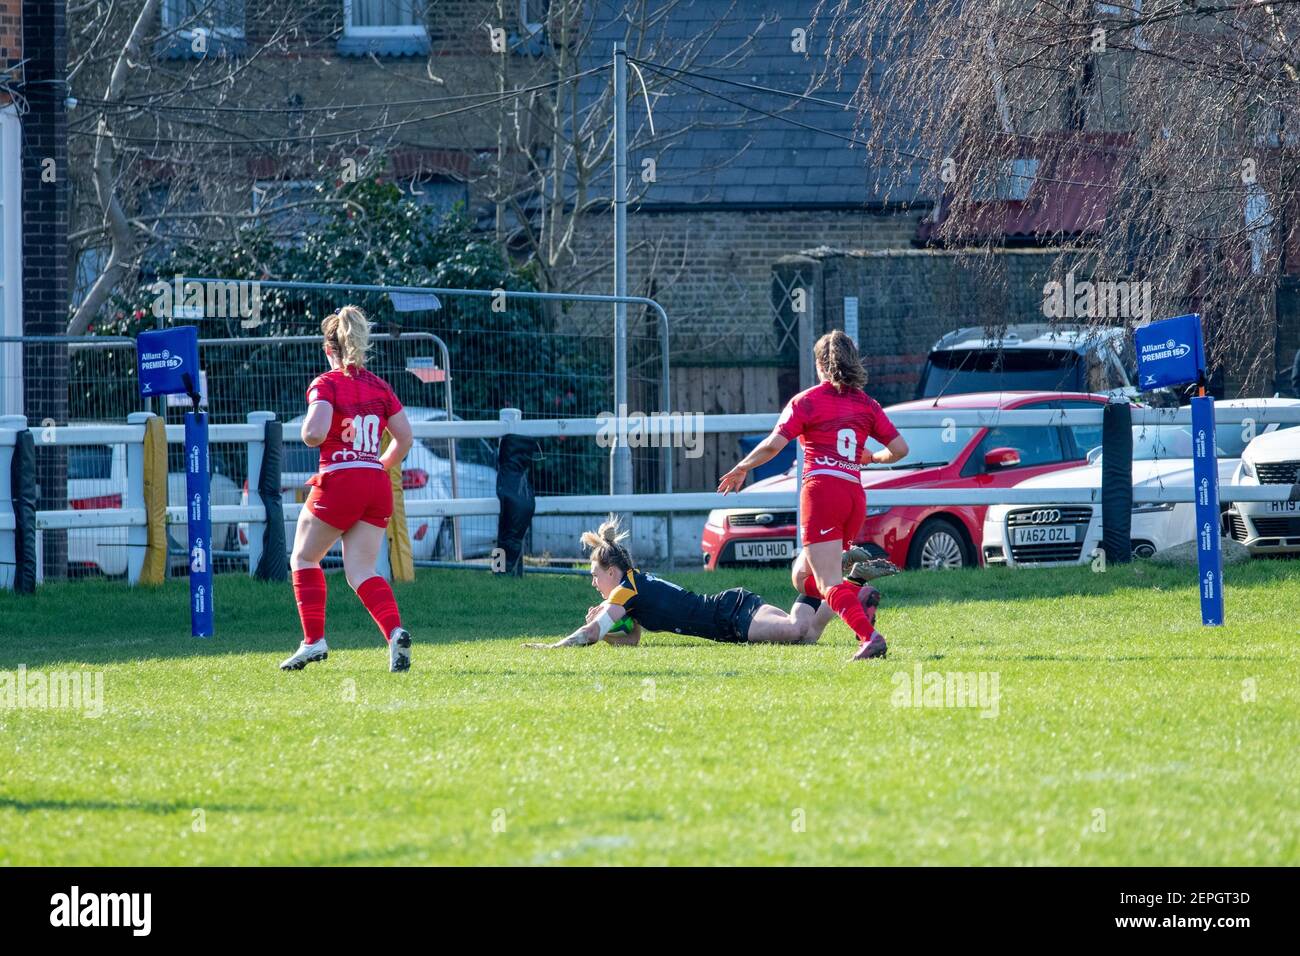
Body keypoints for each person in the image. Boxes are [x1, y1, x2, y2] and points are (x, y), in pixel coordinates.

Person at [718, 331, 909, 661]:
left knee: (826, 580)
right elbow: (900, 449)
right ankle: (857, 588)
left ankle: (869, 636)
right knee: (801, 577)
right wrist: (873, 458)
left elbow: (773, 445)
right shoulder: (867, 404)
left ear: (820, 364)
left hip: (822, 494)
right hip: (853, 496)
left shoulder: (807, 400)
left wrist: (741, 467)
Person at [279, 306, 415, 673]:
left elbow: (315, 433)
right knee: (361, 570)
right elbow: (404, 438)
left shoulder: (325, 383)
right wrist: (378, 466)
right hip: (375, 483)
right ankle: (394, 632)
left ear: (329, 349)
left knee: (304, 558)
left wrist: (308, 426)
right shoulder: (379, 386)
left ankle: (313, 641)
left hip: (339, 479)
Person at [524, 517, 836, 649]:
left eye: (594, 575)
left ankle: (809, 563)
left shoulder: (626, 589)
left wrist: (553, 646)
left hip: (728, 614)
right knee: (806, 636)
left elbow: (591, 632)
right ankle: (843, 585)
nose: (593, 582)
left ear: (611, 571)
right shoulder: (630, 590)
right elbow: (632, 639)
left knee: (796, 631)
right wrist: (606, 635)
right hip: (729, 613)